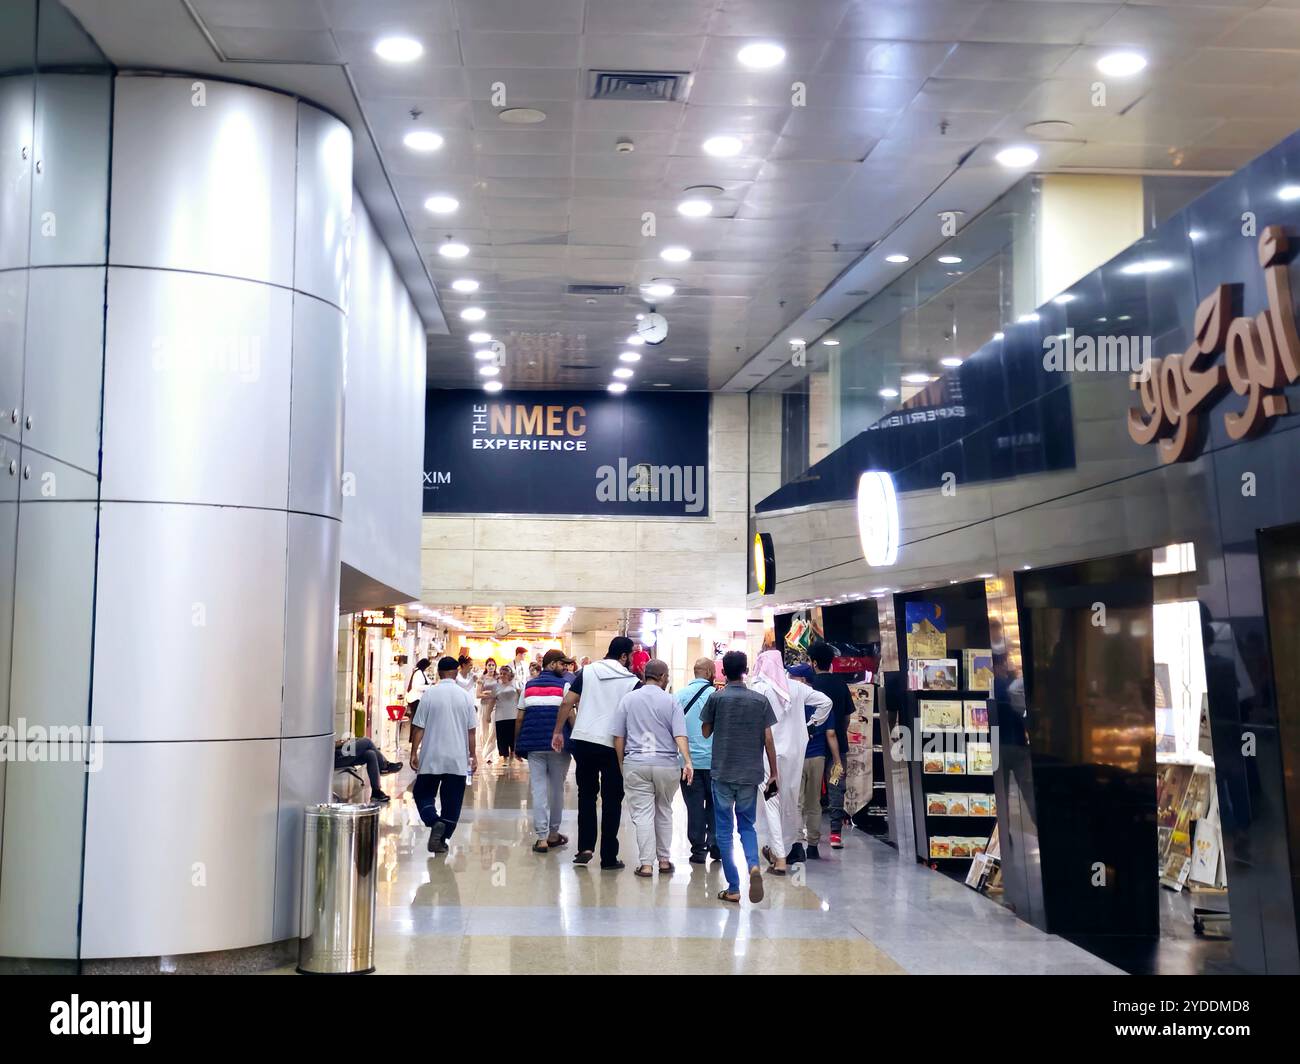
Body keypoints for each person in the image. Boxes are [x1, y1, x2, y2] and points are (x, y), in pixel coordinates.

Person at [552, 636, 641, 869]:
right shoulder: (632, 681)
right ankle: (609, 857)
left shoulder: (587, 672)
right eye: (631, 655)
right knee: (613, 800)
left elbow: (566, 702)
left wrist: (558, 732)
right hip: (614, 745)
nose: (632, 660)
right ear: (623, 656)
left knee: (587, 795)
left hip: (584, 740)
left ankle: (585, 847)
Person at [700, 650, 777, 905]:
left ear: (723, 672)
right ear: (746, 671)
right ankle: (753, 866)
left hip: (723, 772)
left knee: (724, 829)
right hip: (750, 774)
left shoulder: (716, 698)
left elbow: (706, 732)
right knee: (747, 826)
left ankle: (733, 887)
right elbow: (768, 738)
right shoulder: (759, 701)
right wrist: (774, 772)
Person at [749, 651, 832, 872]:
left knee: (771, 802)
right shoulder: (796, 687)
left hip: (770, 754)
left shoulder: (760, 689)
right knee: (790, 802)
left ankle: (780, 857)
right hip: (796, 753)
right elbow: (826, 702)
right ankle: (783, 848)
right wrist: (812, 723)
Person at [612, 659, 692, 877]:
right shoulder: (671, 701)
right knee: (664, 810)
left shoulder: (628, 700)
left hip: (636, 763)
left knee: (643, 814)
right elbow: (679, 734)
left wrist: (622, 762)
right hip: (666, 764)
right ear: (663, 677)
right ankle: (664, 861)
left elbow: (618, 736)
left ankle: (646, 865)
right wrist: (687, 761)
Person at [409, 656, 477, 852]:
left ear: (438, 673)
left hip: (431, 756)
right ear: (456, 672)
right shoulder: (465, 697)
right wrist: (473, 756)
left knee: (422, 793)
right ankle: (442, 838)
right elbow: (471, 731)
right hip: (457, 759)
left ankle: (433, 821)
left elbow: (419, 727)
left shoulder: (430, 695)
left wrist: (414, 752)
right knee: (452, 801)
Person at [516, 649, 573, 852]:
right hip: (558, 745)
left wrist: (517, 743)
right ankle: (553, 834)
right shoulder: (565, 686)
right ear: (550, 664)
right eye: (562, 664)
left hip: (533, 746)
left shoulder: (528, 686)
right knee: (556, 789)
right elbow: (570, 715)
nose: (565, 667)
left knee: (538, 789)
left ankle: (541, 838)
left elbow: (520, 717)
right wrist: (575, 739)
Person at [788, 662, 841, 861]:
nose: (789, 680)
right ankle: (813, 846)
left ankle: (797, 845)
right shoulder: (822, 702)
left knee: (797, 802)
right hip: (818, 757)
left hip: (796, 757)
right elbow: (831, 733)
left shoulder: (792, 702)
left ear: (802, 680)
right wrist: (837, 761)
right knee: (814, 803)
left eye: (792, 677)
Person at [807, 641, 854, 849]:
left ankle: (810, 833)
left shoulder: (810, 685)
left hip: (814, 744)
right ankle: (835, 833)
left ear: (814, 662)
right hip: (838, 745)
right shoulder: (840, 684)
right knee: (836, 786)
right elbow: (846, 717)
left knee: (811, 789)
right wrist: (841, 734)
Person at [676, 657, 720, 864]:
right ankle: (715, 842)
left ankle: (698, 850)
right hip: (714, 762)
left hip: (688, 763)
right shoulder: (717, 696)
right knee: (715, 804)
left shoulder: (679, 696)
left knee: (694, 806)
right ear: (710, 672)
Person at [333, 736, 401, 803]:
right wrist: (339, 743)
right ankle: (384, 766)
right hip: (333, 758)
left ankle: (376, 792)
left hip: (338, 753)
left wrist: (342, 742)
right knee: (367, 741)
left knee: (370, 754)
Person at [489, 665, 519, 762]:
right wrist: (488, 715)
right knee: (502, 738)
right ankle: (505, 758)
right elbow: (492, 701)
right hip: (500, 716)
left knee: (513, 737)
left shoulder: (515, 685)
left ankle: (513, 755)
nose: (502, 676)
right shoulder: (496, 687)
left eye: (505, 674)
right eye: (501, 674)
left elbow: (521, 698)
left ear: (509, 675)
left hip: (513, 715)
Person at [476, 658, 498, 764]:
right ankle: (487, 755)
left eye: (493, 665)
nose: (491, 667)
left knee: (493, 731)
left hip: (495, 706)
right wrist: (489, 693)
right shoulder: (482, 678)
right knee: (484, 731)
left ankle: (489, 753)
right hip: (484, 705)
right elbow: (478, 694)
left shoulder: (498, 678)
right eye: (489, 665)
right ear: (486, 666)